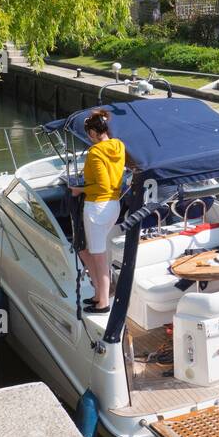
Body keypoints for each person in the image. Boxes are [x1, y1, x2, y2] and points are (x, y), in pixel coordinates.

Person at [69, 109, 126, 313]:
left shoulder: (95, 153)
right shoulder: (118, 145)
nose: (88, 138)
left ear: (93, 133)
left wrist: (79, 189)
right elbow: (111, 182)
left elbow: (101, 186)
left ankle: (103, 303)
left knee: (100, 258)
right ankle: (97, 296)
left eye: (88, 134)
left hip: (97, 208)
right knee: (91, 252)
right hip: (113, 206)